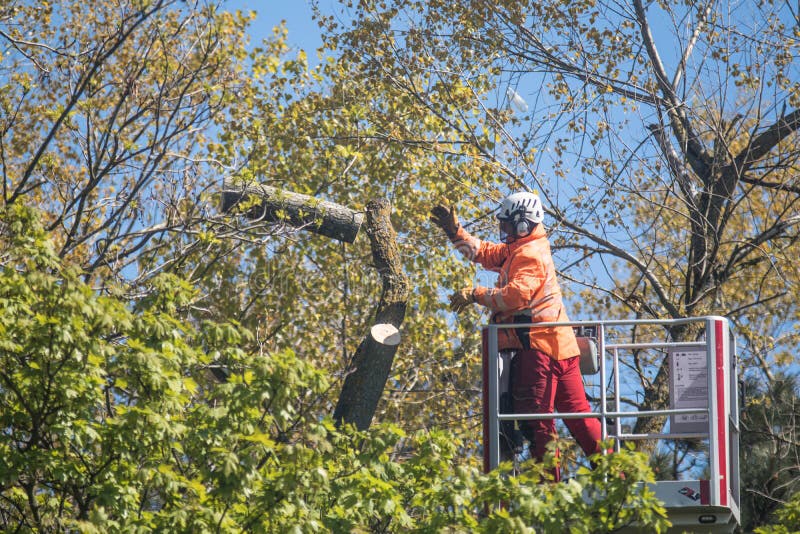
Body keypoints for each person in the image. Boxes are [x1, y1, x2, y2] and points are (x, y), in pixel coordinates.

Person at [430, 192, 602, 481]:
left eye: (509, 226)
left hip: (540, 349)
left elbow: (516, 297)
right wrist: (455, 232)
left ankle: (547, 485)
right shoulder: (522, 248)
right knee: (579, 417)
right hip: (560, 347)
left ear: (524, 224)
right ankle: (616, 474)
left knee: (536, 419)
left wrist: (476, 294)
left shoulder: (530, 255)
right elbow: (484, 252)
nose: (505, 232)